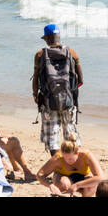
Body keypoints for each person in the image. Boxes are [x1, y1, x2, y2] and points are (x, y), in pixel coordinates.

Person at [33, 23, 83, 154]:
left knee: (52, 135)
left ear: (46, 39)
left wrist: (35, 95)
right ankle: (73, 162)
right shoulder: (72, 53)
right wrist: (72, 92)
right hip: (68, 99)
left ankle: (57, 166)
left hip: (48, 100)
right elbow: (81, 79)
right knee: (70, 131)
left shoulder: (40, 54)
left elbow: (36, 77)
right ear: (58, 36)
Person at [36, 138, 107, 197]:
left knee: (92, 186)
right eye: (65, 158)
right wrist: (50, 185)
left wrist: (77, 185)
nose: (67, 161)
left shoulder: (86, 155)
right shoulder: (58, 157)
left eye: (70, 158)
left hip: (83, 179)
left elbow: (101, 178)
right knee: (63, 184)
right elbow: (40, 174)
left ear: (77, 153)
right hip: (64, 179)